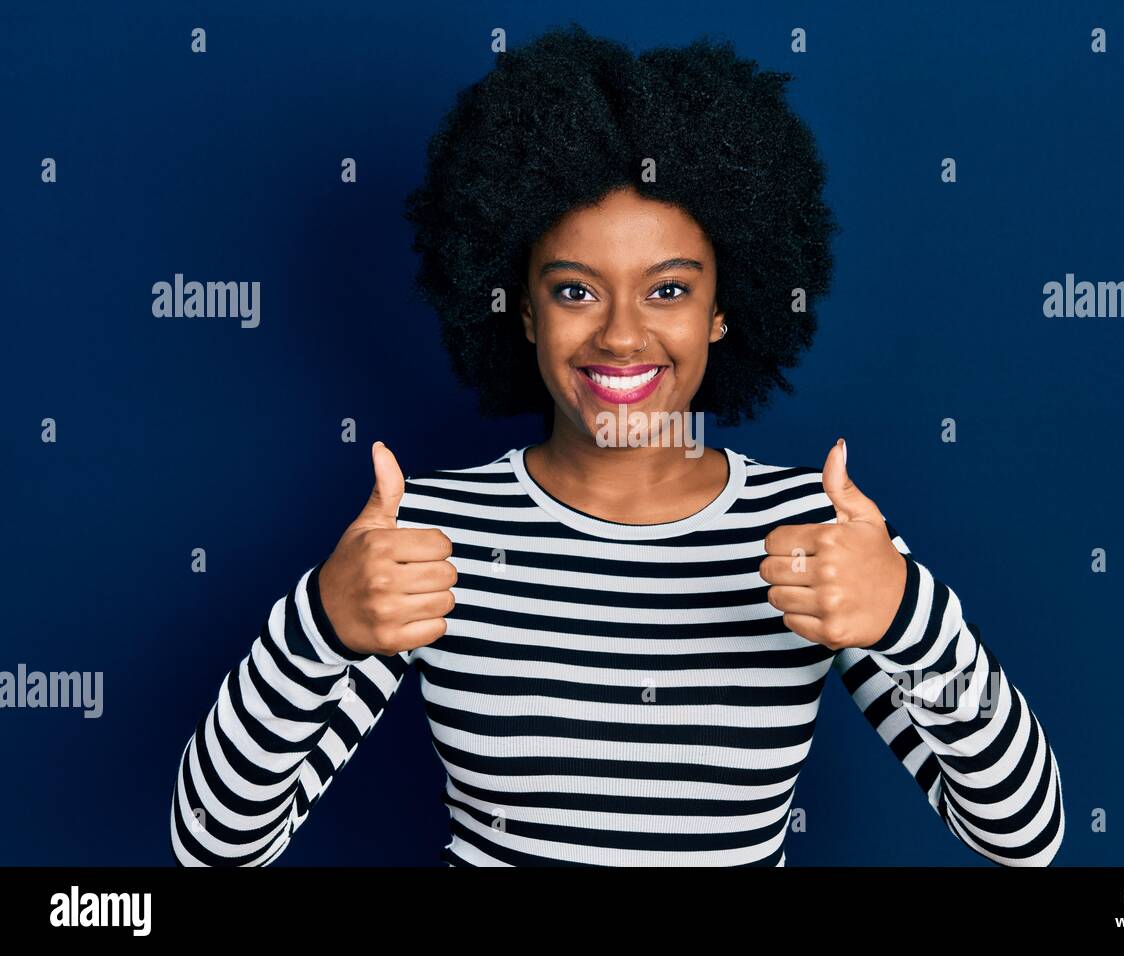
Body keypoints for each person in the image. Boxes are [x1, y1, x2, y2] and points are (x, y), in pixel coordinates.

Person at [169, 23, 1064, 867]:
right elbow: (214, 846)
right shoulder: (427, 536)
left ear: (725, 308)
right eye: (574, 292)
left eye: (668, 291)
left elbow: (1023, 835)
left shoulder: (818, 534)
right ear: (520, 309)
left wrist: (908, 616)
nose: (624, 337)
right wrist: (321, 625)